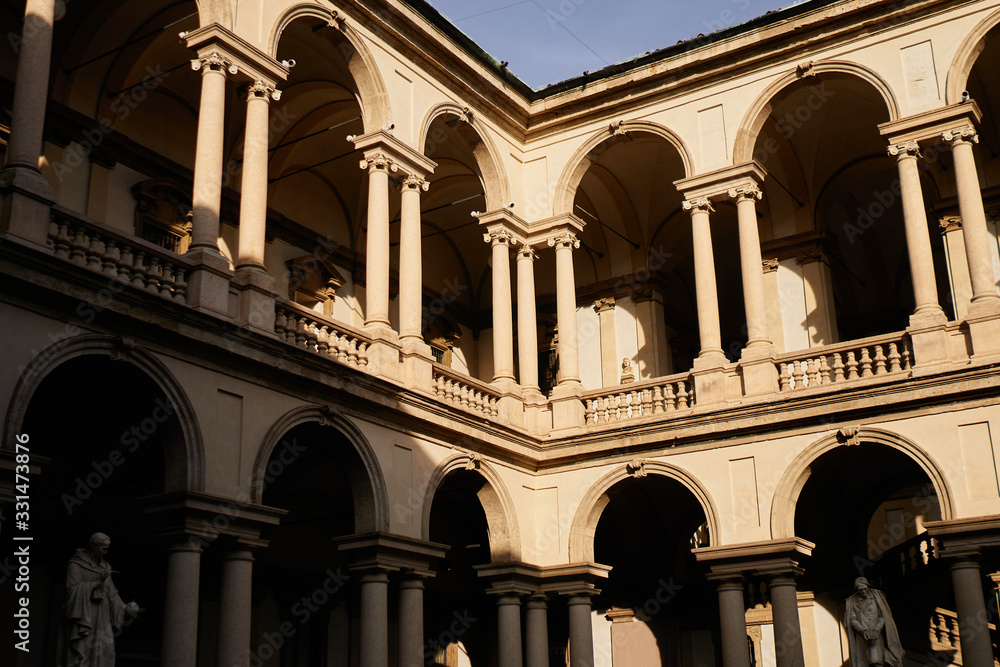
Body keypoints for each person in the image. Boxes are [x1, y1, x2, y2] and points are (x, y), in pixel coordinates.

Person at [57, 533, 140, 667]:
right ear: (94, 546)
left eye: (107, 549)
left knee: (106, 652)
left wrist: (125, 609)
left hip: (102, 615)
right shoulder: (76, 565)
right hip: (84, 616)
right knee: (83, 652)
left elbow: (111, 594)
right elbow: (71, 592)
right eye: (103, 549)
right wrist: (97, 581)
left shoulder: (105, 567)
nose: (106, 553)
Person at [844, 577, 903, 666]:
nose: (863, 592)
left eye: (865, 589)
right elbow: (852, 619)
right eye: (861, 590)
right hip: (862, 634)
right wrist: (862, 630)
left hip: (875, 633)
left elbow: (883, 616)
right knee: (864, 660)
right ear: (857, 590)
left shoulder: (876, 597)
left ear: (868, 587)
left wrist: (877, 629)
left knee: (877, 660)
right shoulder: (852, 601)